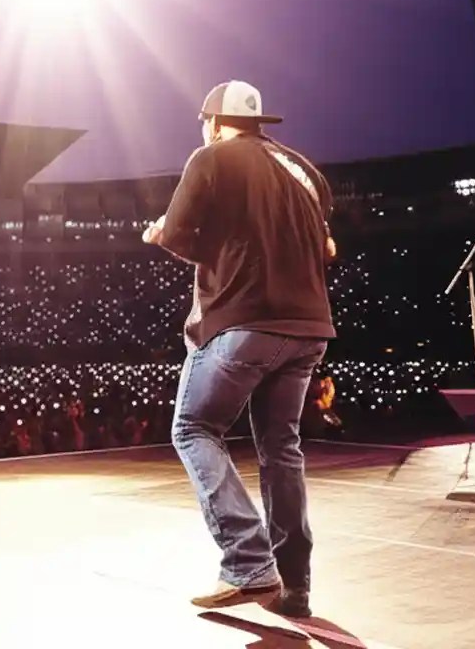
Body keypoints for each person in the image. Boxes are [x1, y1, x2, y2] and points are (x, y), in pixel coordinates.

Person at [142, 80, 336, 618]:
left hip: (245, 323)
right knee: (281, 448)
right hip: (309, 328)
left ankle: (248, 559)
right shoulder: (305, 170)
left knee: (193, 428)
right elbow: (327, 246)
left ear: (213, 122)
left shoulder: (210, 158)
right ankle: (295, 587)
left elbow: (180, 235)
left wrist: (160, 234)